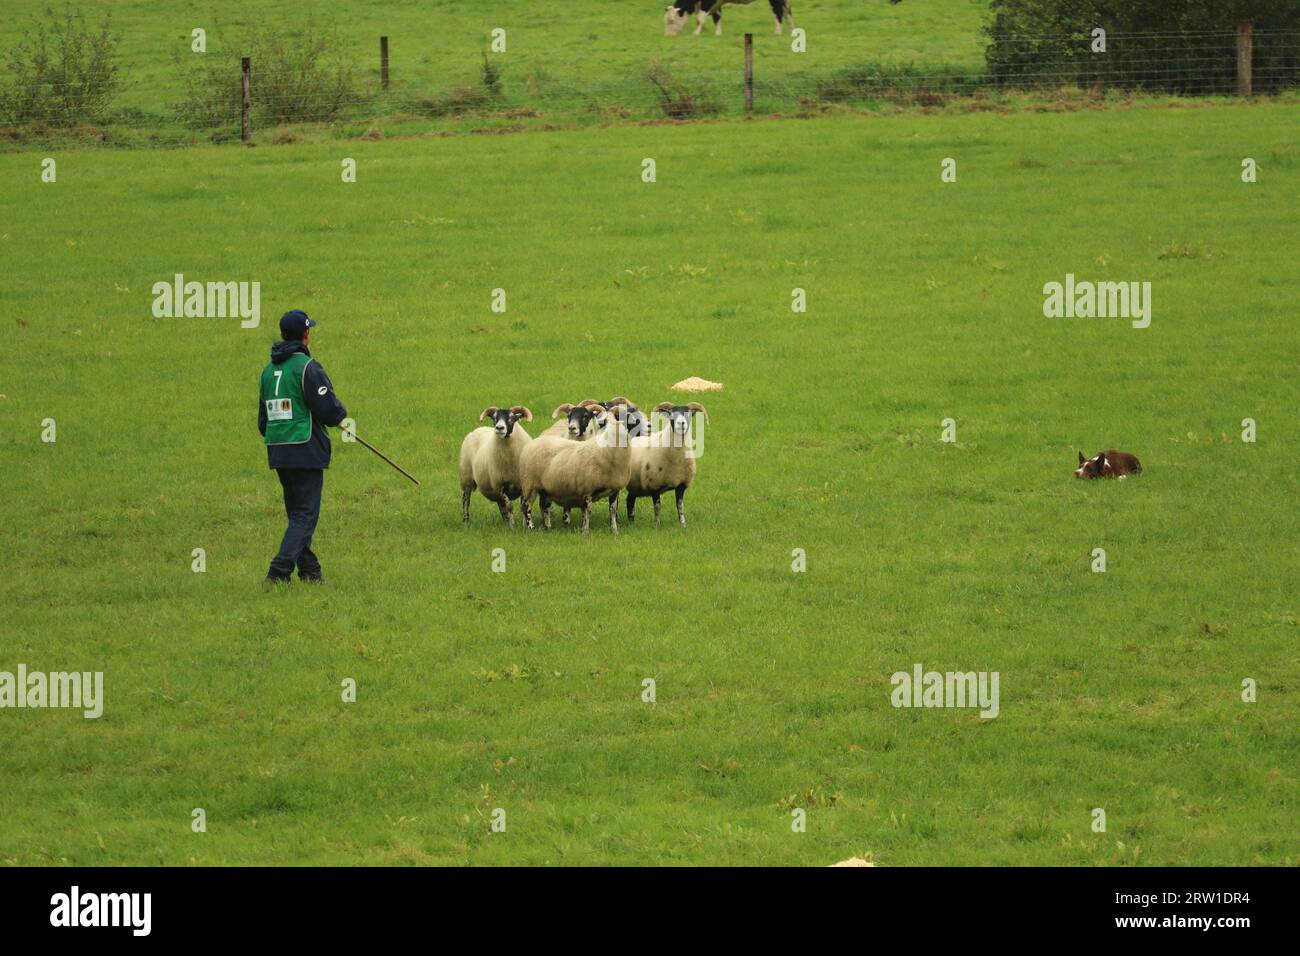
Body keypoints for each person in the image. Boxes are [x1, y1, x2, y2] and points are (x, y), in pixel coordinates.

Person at [257, 310, 348, 584]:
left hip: (278, 449)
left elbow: (263, 420)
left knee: (297, 514)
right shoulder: (307, 368)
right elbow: (328, 409)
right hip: (304, 448)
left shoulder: (268, 371)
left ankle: (310, 570)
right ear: (305, 335)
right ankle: (278, 571)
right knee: (305, 515)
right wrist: (338, 416)